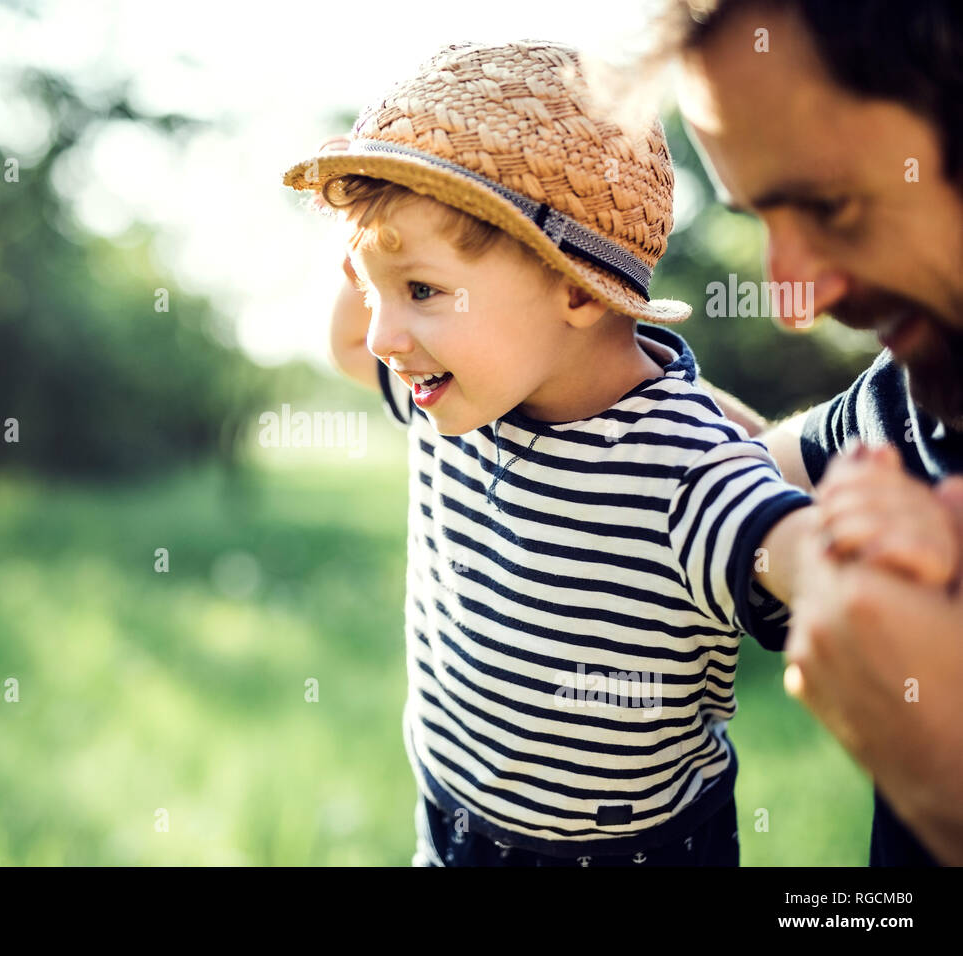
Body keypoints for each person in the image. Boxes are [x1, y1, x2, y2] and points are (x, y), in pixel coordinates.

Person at [281, 39, 868, 866]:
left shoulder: (683, 459)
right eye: (374, 290)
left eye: (420, 289)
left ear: (575, 286)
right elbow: (350, 345)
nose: (382, 334)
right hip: (448, 819)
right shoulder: (453, 394)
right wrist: (379, 212)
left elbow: (794, 547)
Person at [669, 0, 963, 865]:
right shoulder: (919, 402)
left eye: (831, 205)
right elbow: (749, 468)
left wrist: (942, 777)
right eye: (761, 218)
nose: (795, 300)